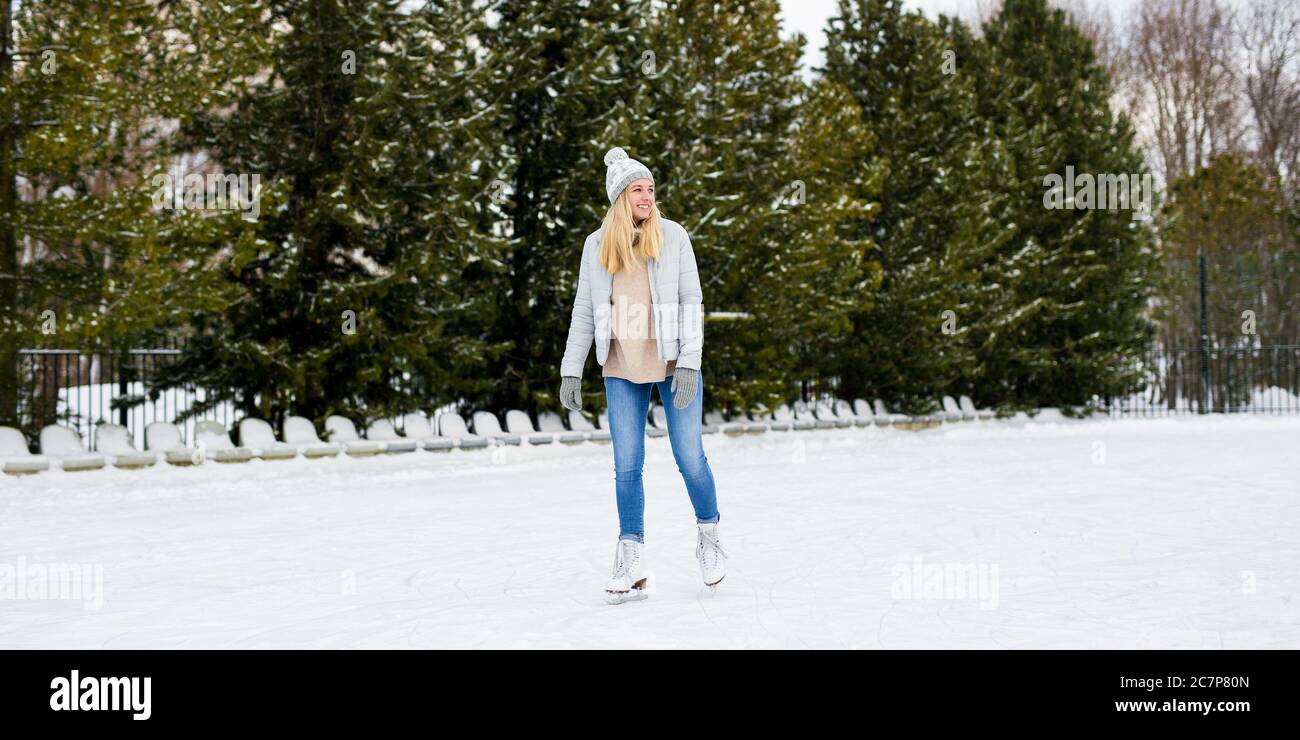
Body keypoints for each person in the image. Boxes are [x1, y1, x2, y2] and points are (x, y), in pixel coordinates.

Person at [559, 147, 726, 604]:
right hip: (621, 365)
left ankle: (709, 535)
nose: (648, 196)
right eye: (638, 190)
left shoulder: (672, 236)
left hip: (674, 365)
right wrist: (571, 369)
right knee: (627, 466)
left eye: (651, 189)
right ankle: (631, 558)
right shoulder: (596, 246)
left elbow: (692, 299)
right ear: (620, 198)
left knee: (689, 456)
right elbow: (583, 312)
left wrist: (690, 360)